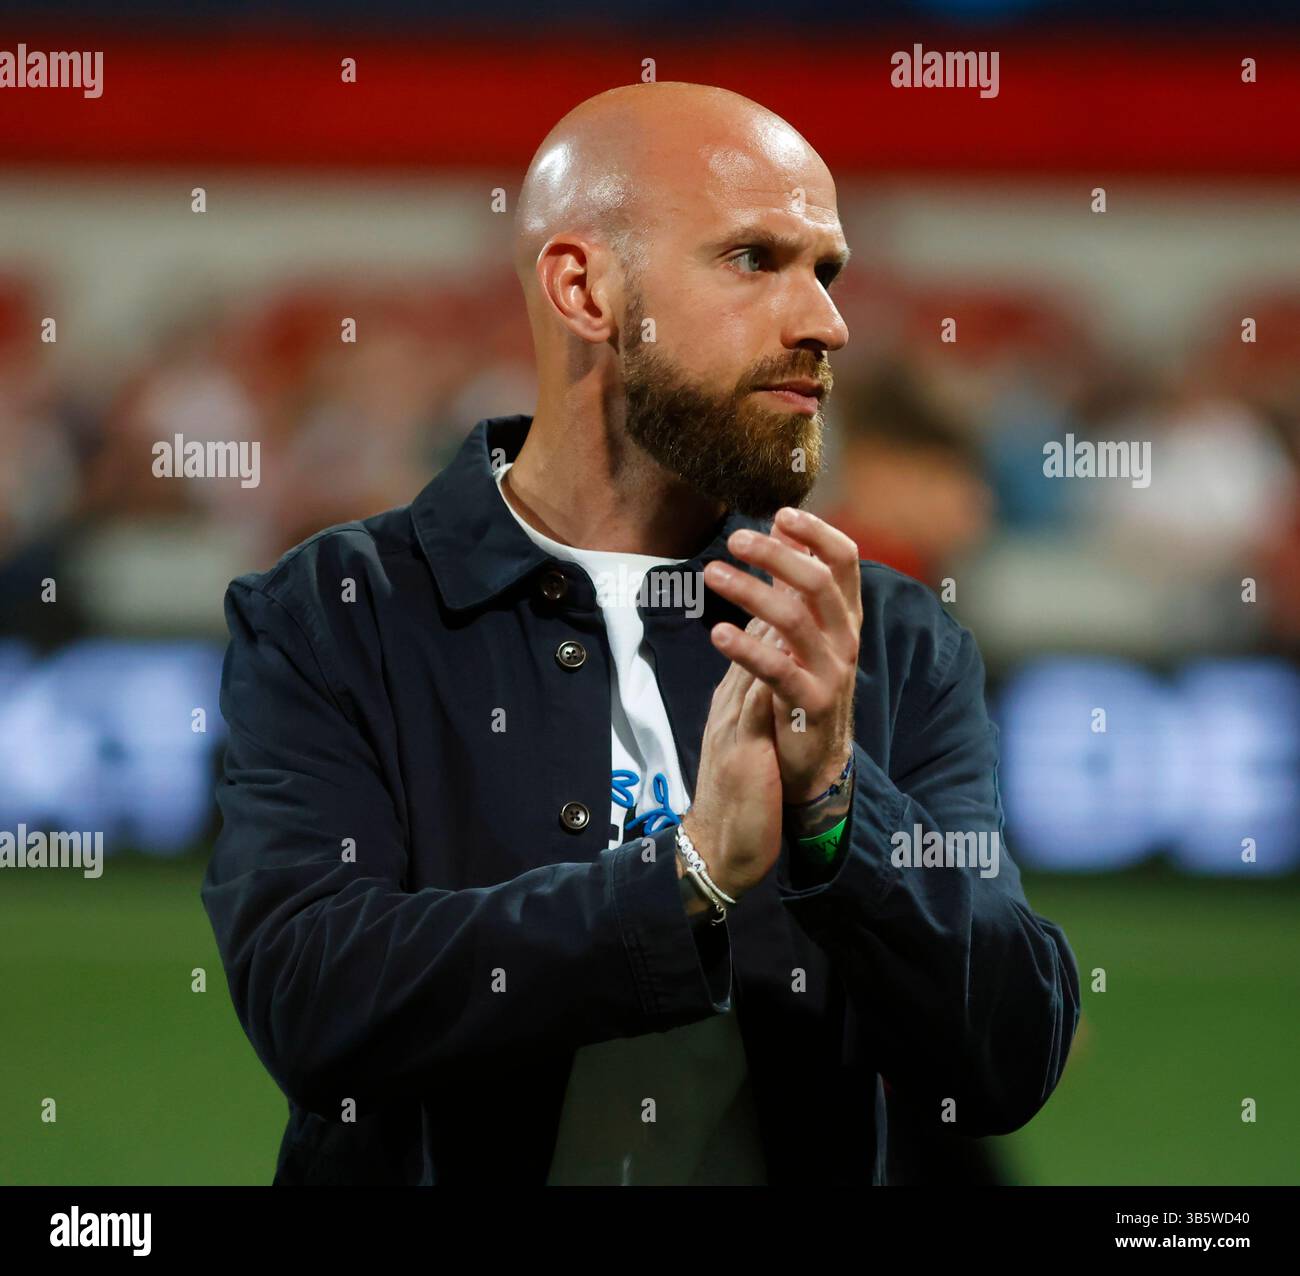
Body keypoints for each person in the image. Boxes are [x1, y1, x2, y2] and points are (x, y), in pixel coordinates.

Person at [200, 81, 1080, 1186]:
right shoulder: (337, 613)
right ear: (585, 288)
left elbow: (1006, 1054)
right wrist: (684, 882)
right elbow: (310, 1001)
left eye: (828, 270)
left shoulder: (882, 639)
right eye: (756, 260)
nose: (825, 322)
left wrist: (836, 812)